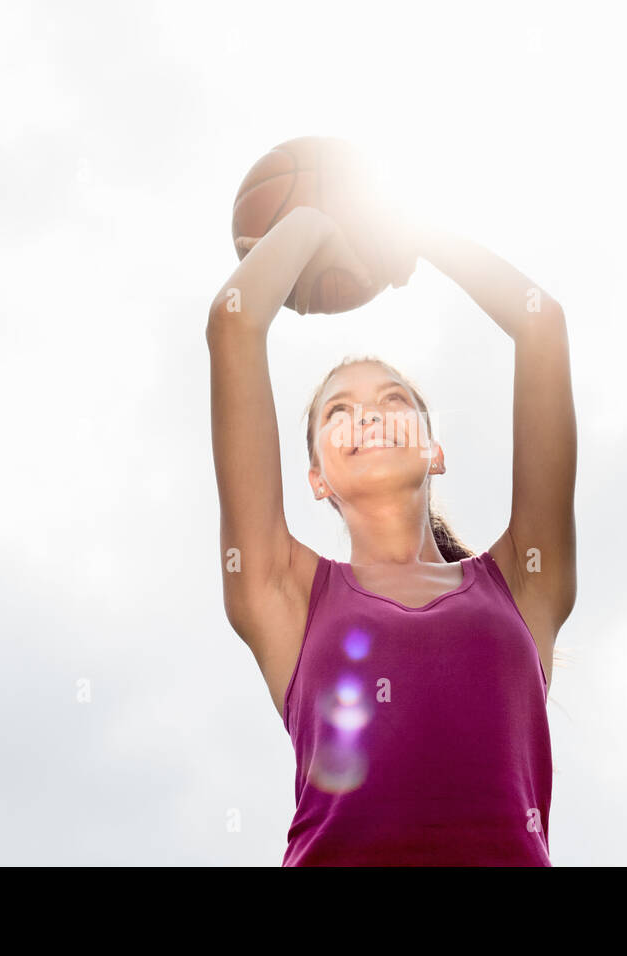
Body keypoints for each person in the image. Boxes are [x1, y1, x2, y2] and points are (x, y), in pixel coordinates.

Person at [207, 201, 576, 865]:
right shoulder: (286, 593)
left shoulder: (525, 578)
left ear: (433, 450)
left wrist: (413, 231)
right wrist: (320, 211)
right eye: (339, 411)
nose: (368, 417)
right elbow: (233, 323)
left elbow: (540, 321)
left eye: (392, 400)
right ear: (317, 477)